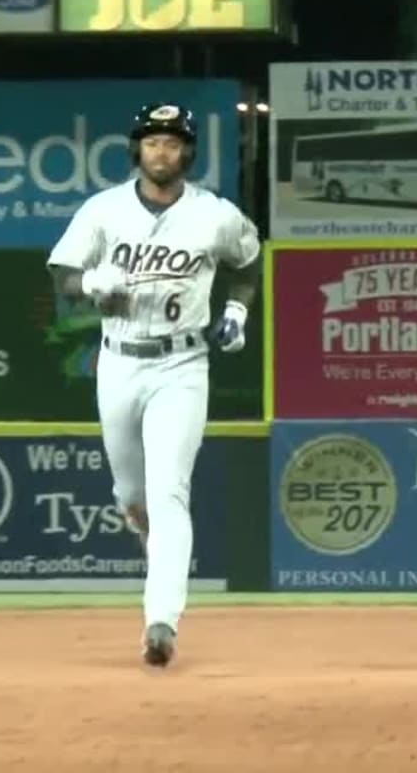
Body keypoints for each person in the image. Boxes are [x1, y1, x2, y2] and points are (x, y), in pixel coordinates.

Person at [45, 102, 261, 666]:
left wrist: (237, 311)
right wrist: (91, 281)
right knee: (132, 498)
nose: (162, 151)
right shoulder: (105, 209)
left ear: (188, 151)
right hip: (118, 362)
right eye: (153, 141)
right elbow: (62, 274)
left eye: (173, 142)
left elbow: (247, 261)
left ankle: (161, 620)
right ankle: (159, 562)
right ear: (137, 149)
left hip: (182, 365)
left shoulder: (213, 214)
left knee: (169, 493)